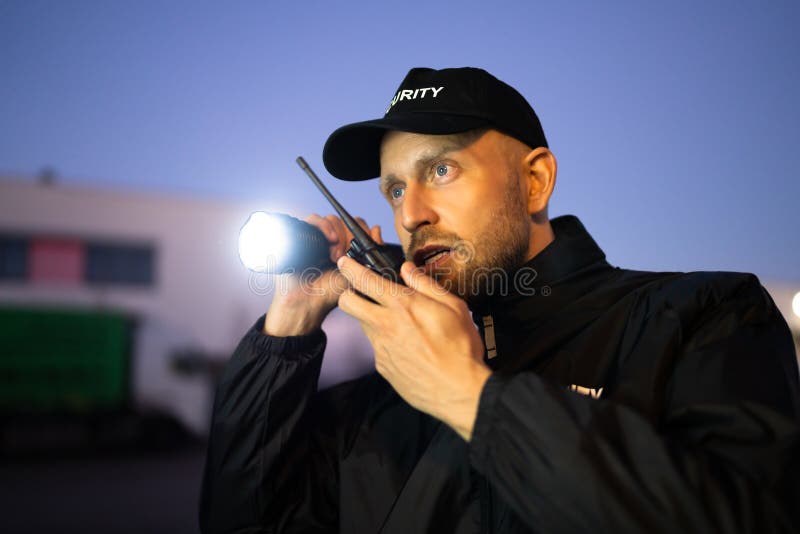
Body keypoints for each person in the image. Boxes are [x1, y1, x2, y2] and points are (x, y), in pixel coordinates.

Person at [200, 67, 800, 533]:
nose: (411, 215)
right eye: (395, 189)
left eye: (441, 171)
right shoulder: (374, 403)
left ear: (535, 180)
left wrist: (467, 396)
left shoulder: (704, 315)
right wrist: (284, 342)